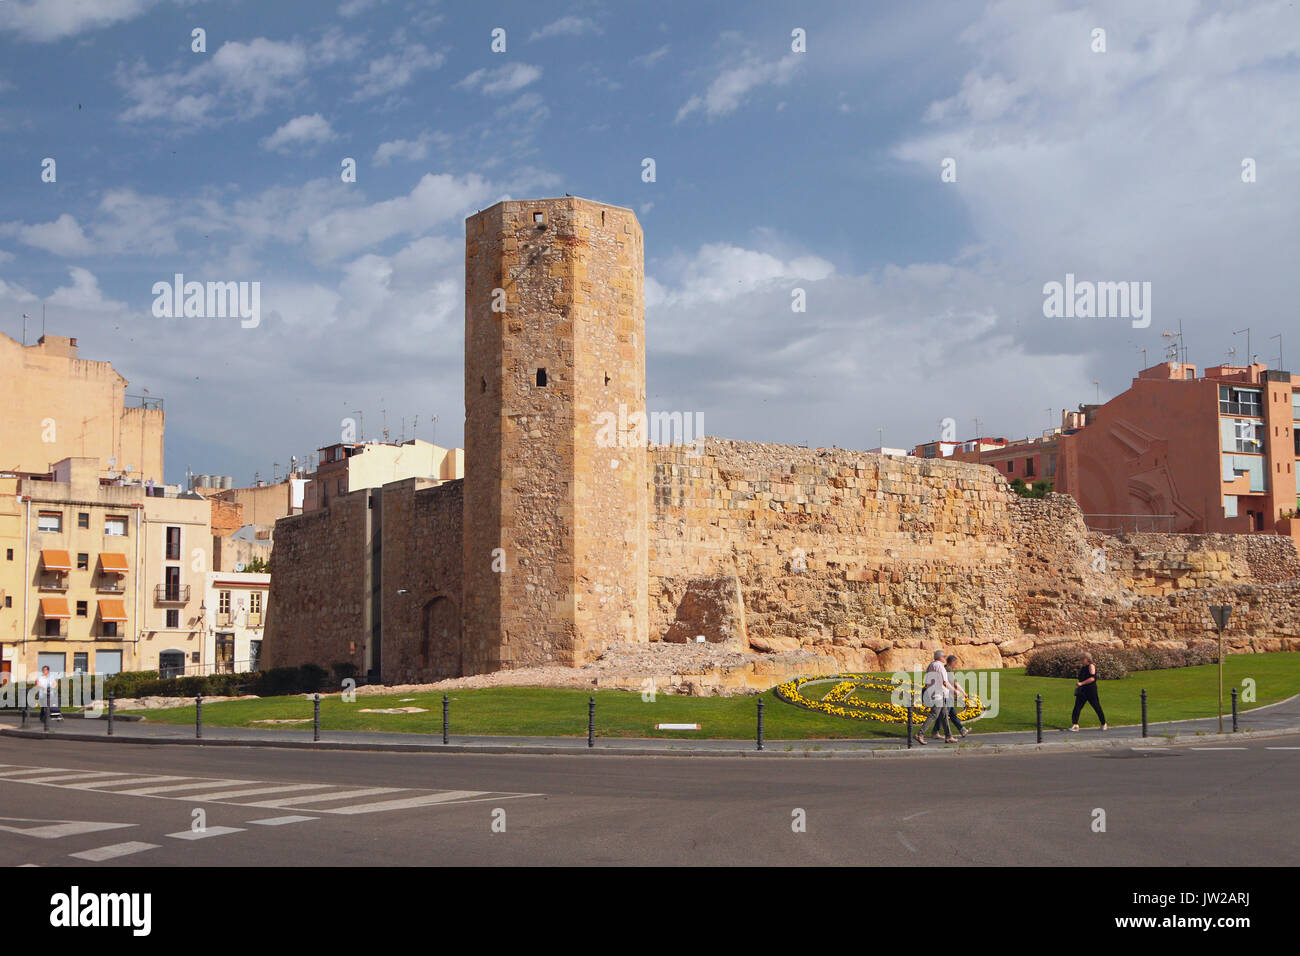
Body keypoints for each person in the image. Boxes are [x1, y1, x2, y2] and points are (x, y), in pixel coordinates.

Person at [914, 650, 957, 745]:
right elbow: (945, 682)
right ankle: (920, 734)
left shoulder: (931, 665)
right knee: (934, 714)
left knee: (944, 715)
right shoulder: (940, 667)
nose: (945, 658)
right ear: (940, 657)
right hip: (939, 694)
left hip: (932, 692)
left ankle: (948, 736)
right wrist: (954, 690)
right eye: (944, 656)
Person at [1070, 651, 1107, 731]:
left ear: (1087, 659)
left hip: (1090, 690)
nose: (1081, 660)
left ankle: (1103, 723)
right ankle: (1075, 724)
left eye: (1083, 659)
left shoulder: (1091, 666)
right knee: (1077, 707)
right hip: (1083, 690)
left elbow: (1092, 678)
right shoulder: (1083, 667)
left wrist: (1081, 683)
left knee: (1096, 706)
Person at [944, 654, 972, 738]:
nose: (956, 664)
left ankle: (962, 730)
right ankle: (925, 733)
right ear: (952, 662)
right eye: (955, 662)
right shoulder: (948, 670)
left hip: (948, 695)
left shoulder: (947, 669)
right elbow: (955, 683)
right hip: (948, 695)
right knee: (942, 715)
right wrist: (963, 692)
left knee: (952, 714)